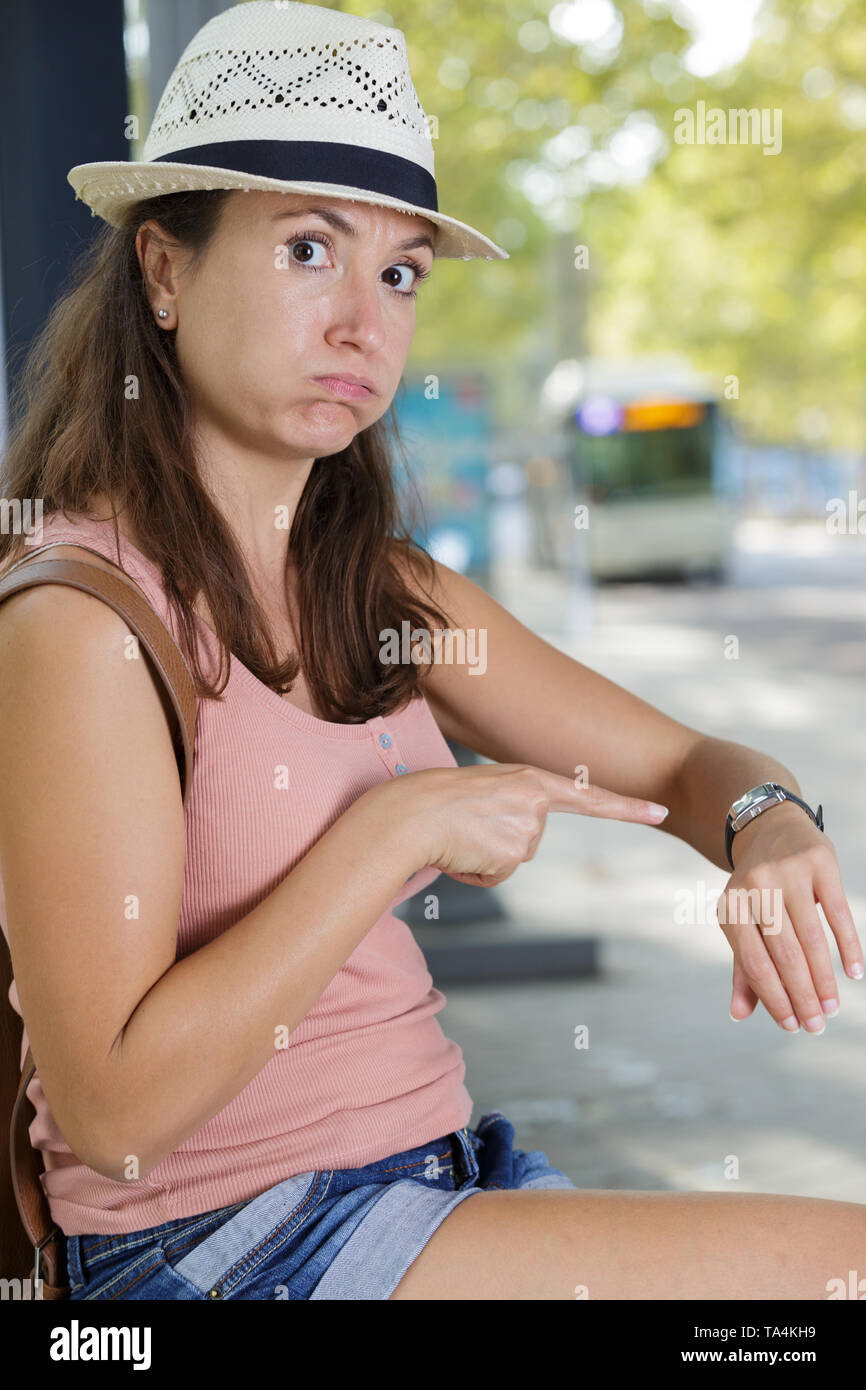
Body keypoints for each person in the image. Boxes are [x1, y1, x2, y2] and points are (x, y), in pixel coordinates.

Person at [0, 1, 863, 1302]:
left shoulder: (377, 583)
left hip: (437, 1177)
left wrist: (763, 821)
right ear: (163, 272)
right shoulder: (80, 621)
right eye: (307, 248)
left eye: (399, 271)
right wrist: (397, 827)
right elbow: (115, 1116)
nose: (365, 321)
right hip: (215, 1241)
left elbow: (684, 759)